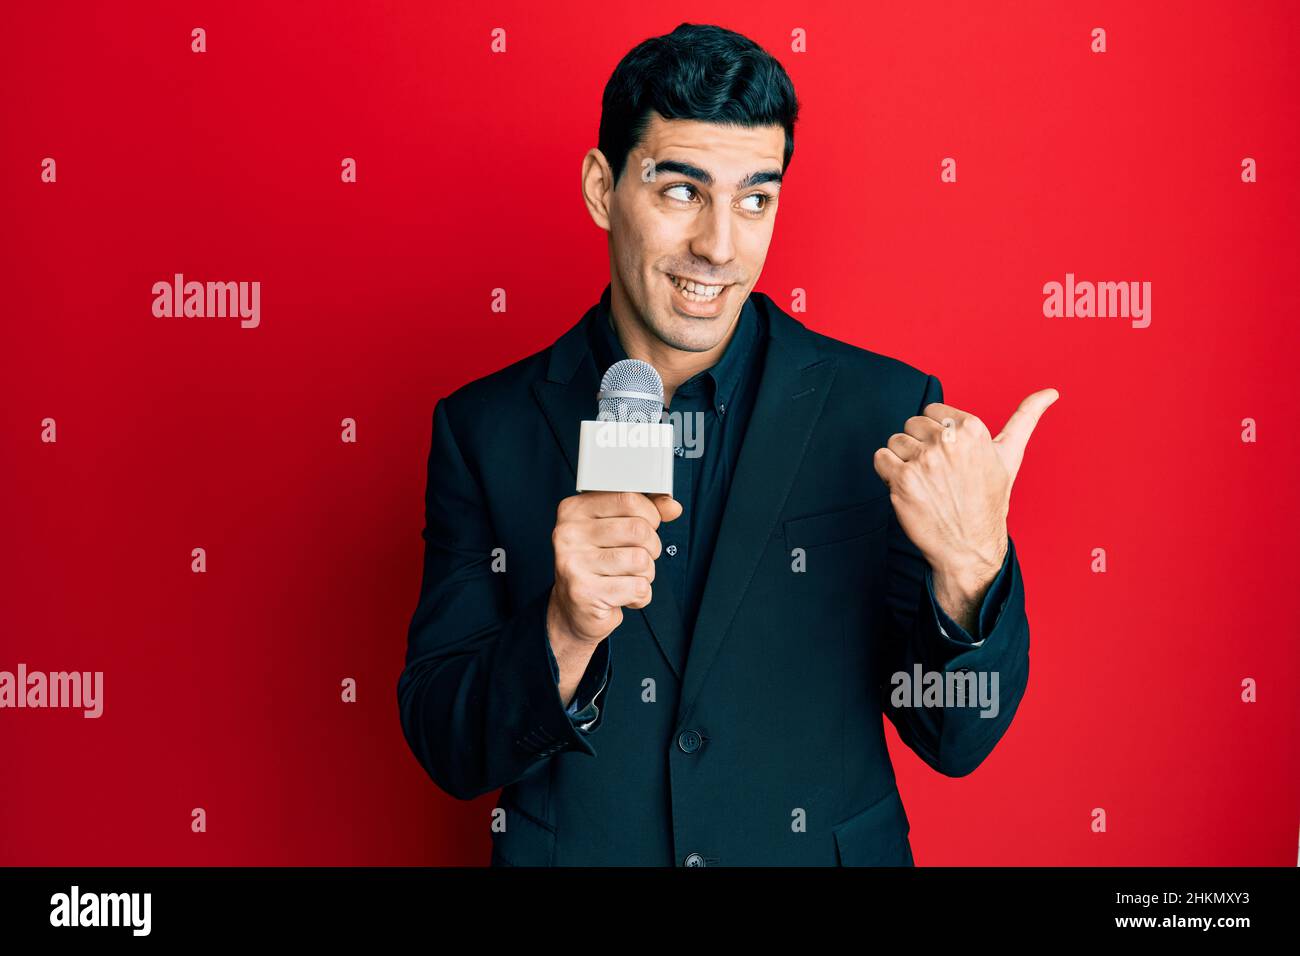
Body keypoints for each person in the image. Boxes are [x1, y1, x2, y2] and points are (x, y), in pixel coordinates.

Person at [397, 22, 1056, 866]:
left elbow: (955, 738)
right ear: (603, 189)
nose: (719, 245)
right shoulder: (483, 428)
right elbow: (447, 748)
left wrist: (972, 572)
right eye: (681, 191)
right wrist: (562, 630)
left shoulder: (883, 409)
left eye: (755, 198)